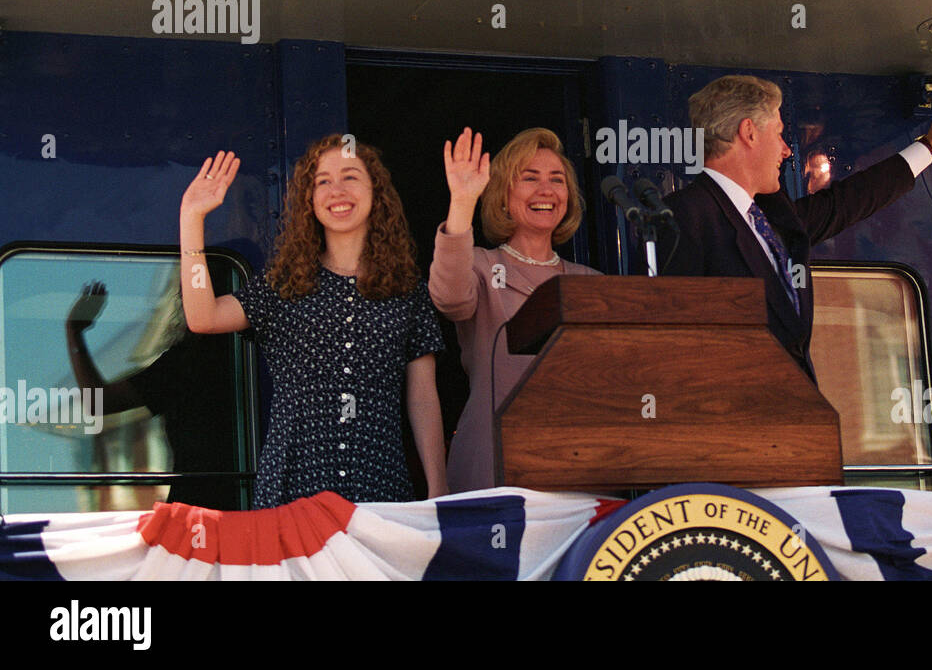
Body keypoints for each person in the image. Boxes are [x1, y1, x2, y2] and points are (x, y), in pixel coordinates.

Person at [179, 136, 448, 508]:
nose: (336, 190)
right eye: (322, 181)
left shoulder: (407, 289)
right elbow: (203, 317)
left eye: (350, 176)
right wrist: (192, 219)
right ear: (309, 199)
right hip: (293, 488)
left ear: (377, 192)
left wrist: (439, 489)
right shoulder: (285, 283)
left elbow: (422, 396)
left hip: (380, 488)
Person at [660, 72, 932, 376]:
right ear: (749, 132)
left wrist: (929, 146)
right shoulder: (684, 217)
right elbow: (675, 347)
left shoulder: (771, 220)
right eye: (778, 133)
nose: (787, 150)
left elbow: (847, 202)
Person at [429, 127, 600, 493]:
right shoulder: (479, 266)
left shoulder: (590, 282)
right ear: (504, 195)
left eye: (557, 180)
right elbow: (450, 299)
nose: (546, 190)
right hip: (496, 462)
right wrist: (462, 200)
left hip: (578, 467)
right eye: (529, 178)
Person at [65, 280, 242, 509]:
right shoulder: (256, 353)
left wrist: (74, 331)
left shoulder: (188, 363)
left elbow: (99, 401)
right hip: (247, 504)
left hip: (197, 509)